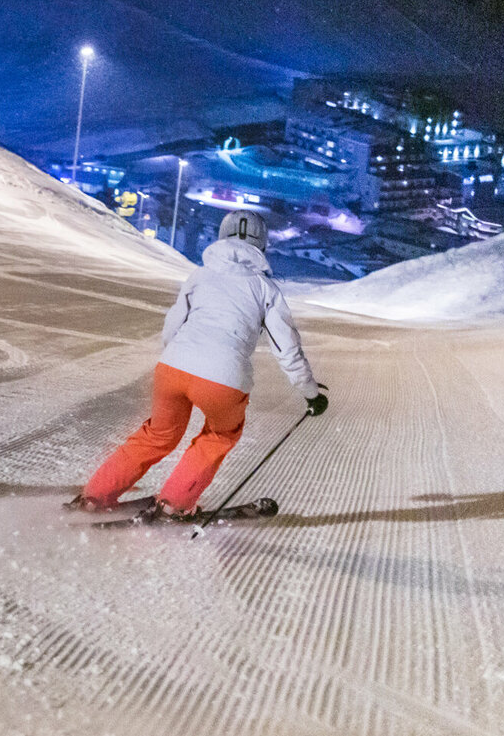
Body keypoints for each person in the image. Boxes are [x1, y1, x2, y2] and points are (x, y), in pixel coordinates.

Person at [70, 210, 327, 519]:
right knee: (219, 436)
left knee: (157, 435)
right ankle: (175, 503)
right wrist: (310, 393)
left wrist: (178, 359)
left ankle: (96, 495)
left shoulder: (200, 276)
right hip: (224, 378)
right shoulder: (264, 288)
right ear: (262, 244)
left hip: (173, 367)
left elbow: (173, 324)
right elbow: (287, 347)